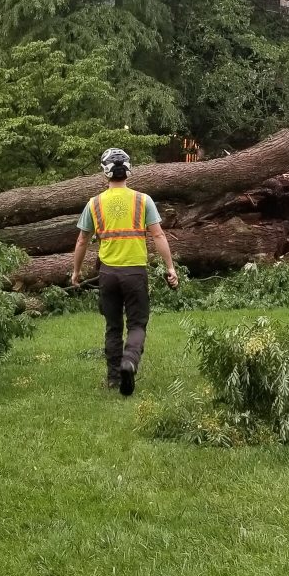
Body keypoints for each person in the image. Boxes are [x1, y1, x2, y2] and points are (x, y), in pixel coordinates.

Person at [69, 148, 179, 396]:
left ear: (104, 172)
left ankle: (113, 378)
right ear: (128, 170)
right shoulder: (143, 200)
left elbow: (81, 241)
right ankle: (130, 360)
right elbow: (159, 235)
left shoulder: (94, 203)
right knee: (137, 323)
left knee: (113, 326)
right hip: (135, 273)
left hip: (108, 275)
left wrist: (76, 272)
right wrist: (170, 267)